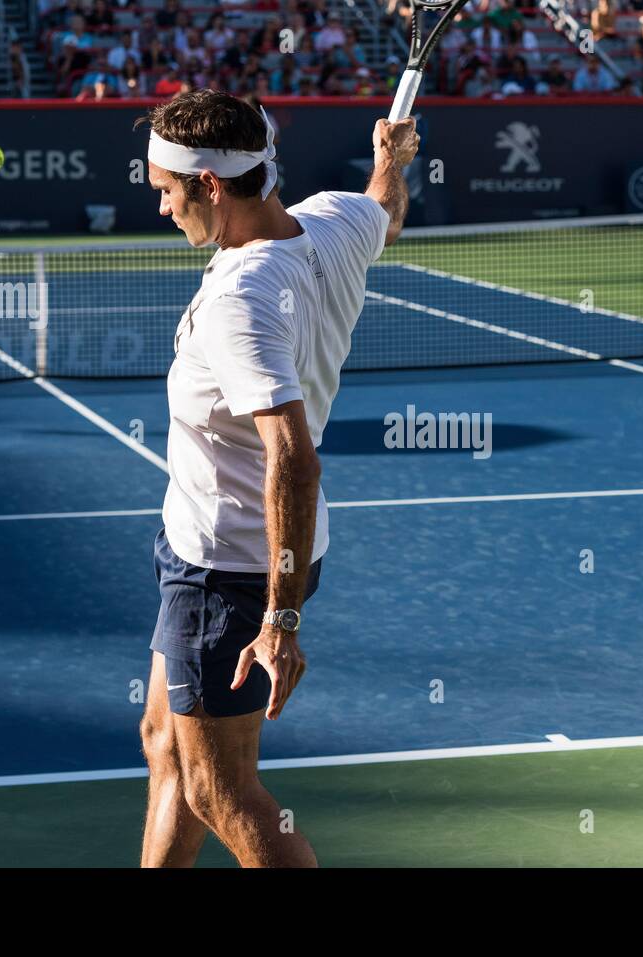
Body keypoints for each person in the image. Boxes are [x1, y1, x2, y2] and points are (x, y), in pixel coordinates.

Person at [136, 90, 418, 868]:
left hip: (227, 571)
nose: (164, 208)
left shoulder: (243, 298)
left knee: (221, 789)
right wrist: (389, 162)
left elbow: (291, 455)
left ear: (212, 187)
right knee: (165, 741)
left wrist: (279, 620)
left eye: (167, 191)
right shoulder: (334, 220)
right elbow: (384, 213)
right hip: (229, 554)